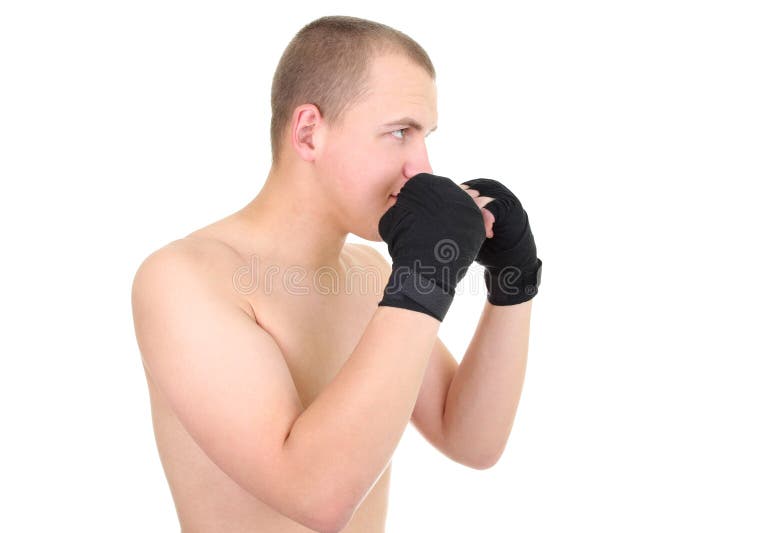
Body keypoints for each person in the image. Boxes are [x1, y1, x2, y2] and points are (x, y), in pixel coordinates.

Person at [131, 15, 541, 533]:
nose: (424, 168)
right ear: (308, 132)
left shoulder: (368, 275)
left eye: (425, 137)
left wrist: (514, 281)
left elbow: (471, 440)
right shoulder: (183, 280)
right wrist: (424, 279)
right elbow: (315, 496)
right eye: (399, 133)